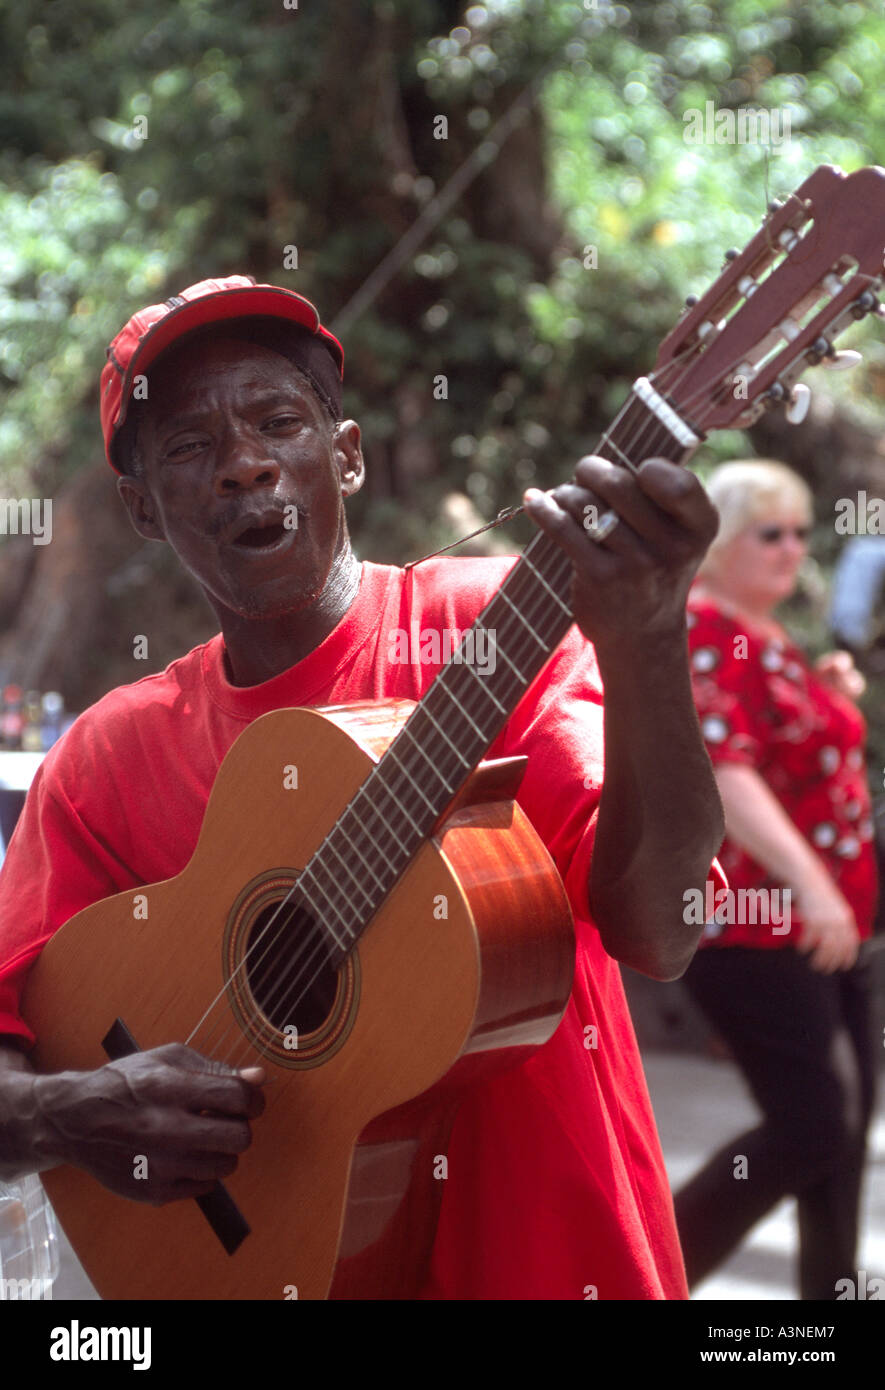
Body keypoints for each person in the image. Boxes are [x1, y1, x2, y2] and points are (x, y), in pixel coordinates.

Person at [0, 275, 725, 1300]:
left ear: (345, 452)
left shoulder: (486, 631)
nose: (245, 464)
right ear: (143, 509)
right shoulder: (109, 761)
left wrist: (649, 639)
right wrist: (71, 1112)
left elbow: (660, 928)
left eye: (277, 422)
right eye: (191, 449)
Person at [674, 459, 879, 1301]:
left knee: (844, 1125)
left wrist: (827, 693)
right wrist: (813, 888)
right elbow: (725, 772)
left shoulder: (761, 633)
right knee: (809, 1125)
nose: (793, 548)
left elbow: (776, 743)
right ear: (723, 539)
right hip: (761, 922)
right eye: (771, 533)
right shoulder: (703, 627)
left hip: (828, 924)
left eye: (801, 532)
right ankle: (650, 1272)